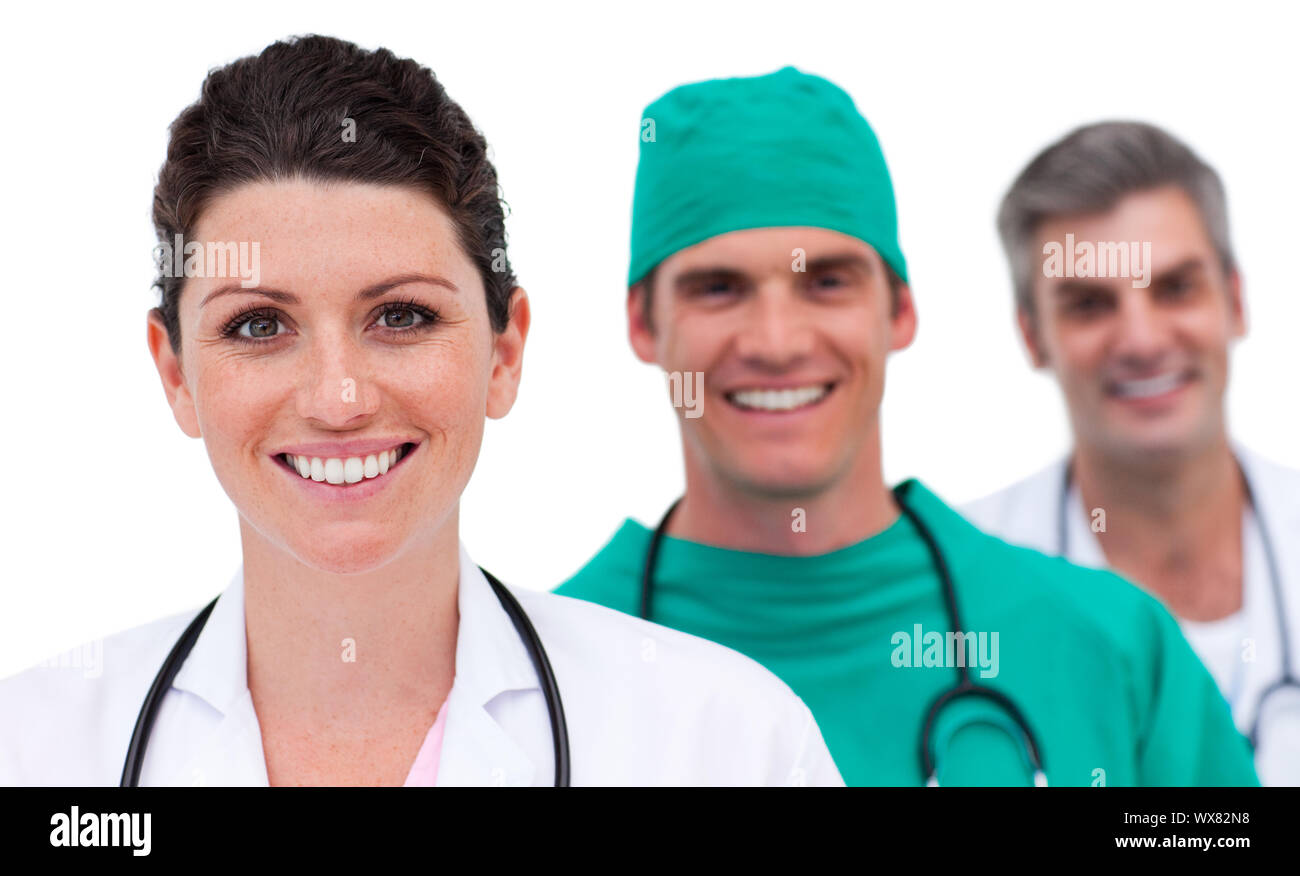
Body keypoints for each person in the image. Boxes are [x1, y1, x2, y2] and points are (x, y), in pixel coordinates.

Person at [0, 36, 843, 787]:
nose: (339, 399)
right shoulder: (36, 751)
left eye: (401, 316)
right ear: (176, 373)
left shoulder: (725, 745)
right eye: (259, 325)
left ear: (504, 353)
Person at [555, 67, 1258, 786]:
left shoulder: (1110, 647)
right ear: (643, 323)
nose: (776, 341)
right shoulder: (534, 672)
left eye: (827, 282)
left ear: (900, 311)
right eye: (719, 288)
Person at [961, 121, 1300, 785]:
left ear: (1235, 301)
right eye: (1091, 304)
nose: (1141, 339)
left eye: (1174, 288)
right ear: (1032, 336)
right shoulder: (961, 583)